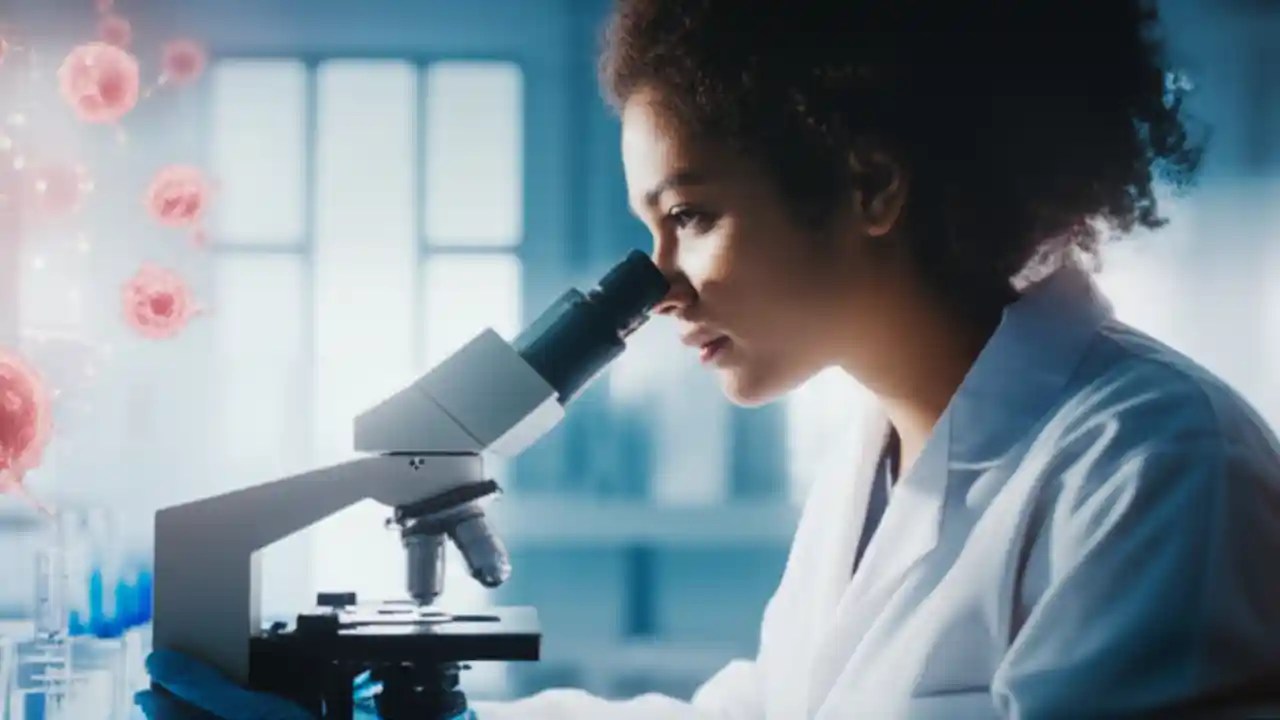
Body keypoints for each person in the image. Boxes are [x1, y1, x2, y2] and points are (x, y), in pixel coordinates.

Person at [142, 0, 1280, 717]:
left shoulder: (1156, 468)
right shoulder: (881, 450)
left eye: (688, 215)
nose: (659, 286)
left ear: (871, 185)